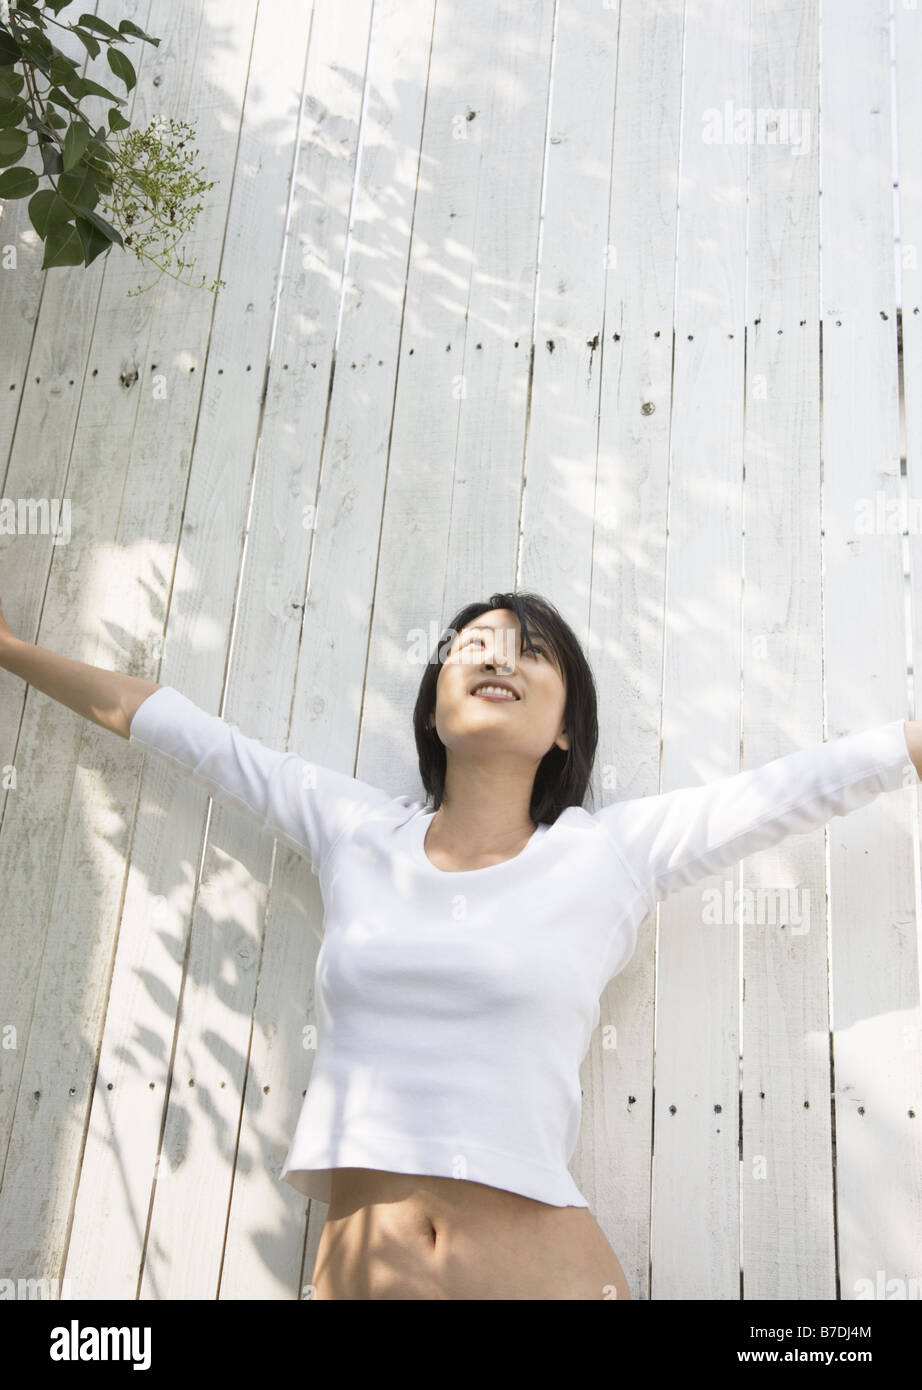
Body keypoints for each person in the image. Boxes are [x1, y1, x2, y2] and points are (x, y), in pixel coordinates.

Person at [1, 588, 919, 1301]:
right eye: (471, 645)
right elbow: (171, 725)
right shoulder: (353, 829)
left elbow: (790, 790)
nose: (498, 656)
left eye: (532, 651)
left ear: (566, 729)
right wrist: (9, 650)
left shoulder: (608, 856)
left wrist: (907, 743)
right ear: (434, 713)